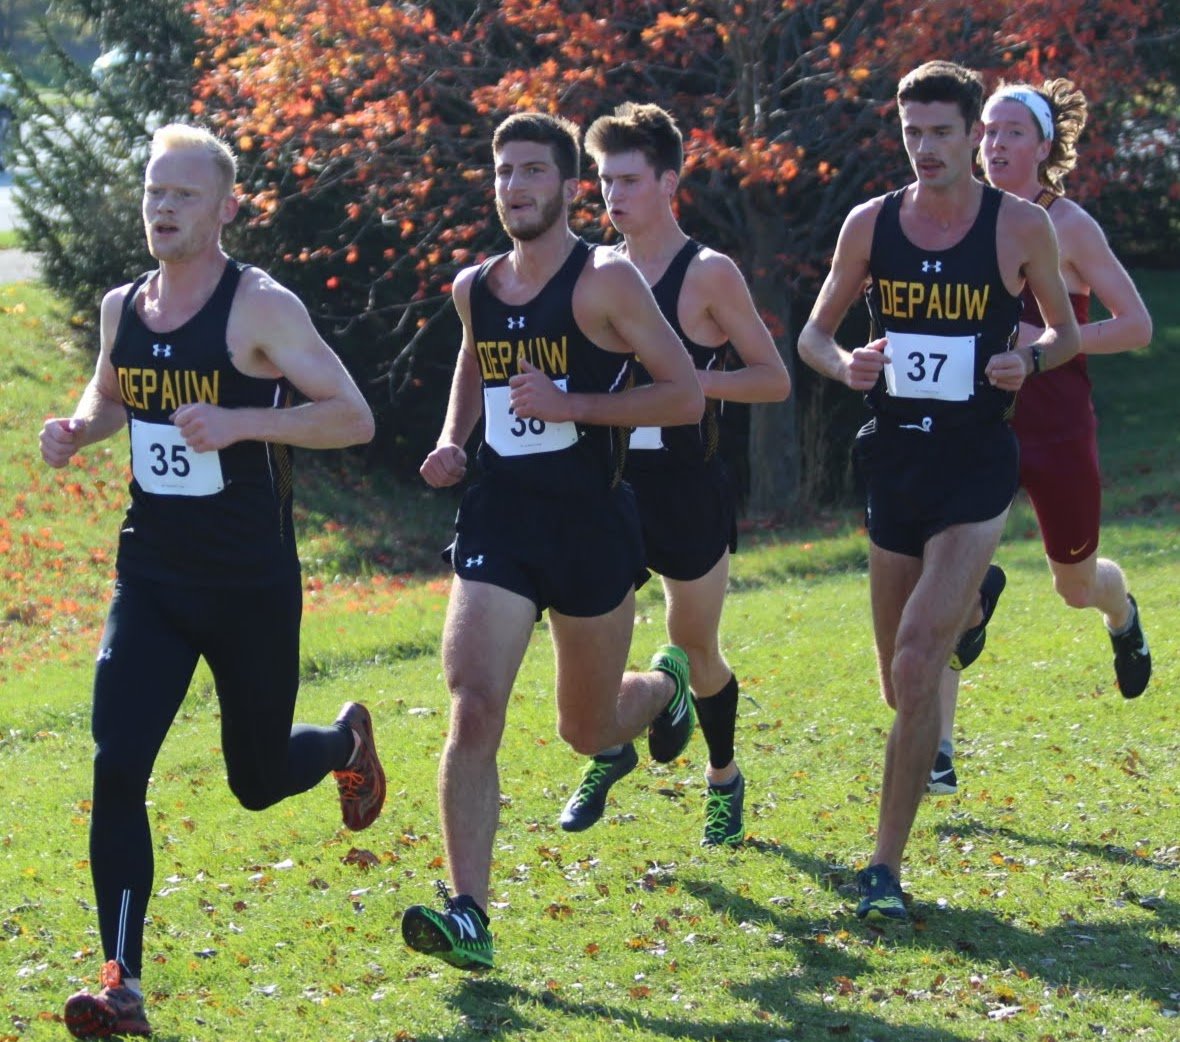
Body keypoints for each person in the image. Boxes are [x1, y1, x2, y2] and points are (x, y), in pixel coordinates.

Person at [39, 124, 383, 1038]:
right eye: (154, 190)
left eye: (183, 194)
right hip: (150, 575)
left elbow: (352, 417)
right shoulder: (125, 307)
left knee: (258, 781)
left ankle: (346, 747)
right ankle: (122, 984)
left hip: (250, 585)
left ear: (226, 207)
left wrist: (238, 423)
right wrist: (77, 429)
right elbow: (111, 394)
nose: (162, 206)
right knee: (116, 766)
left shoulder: (259, 307)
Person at [402, 112, 703, 970]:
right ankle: (470, 912)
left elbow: (683, 394)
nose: (514, 188)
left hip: (591, 525)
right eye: (503, 173)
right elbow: (475, 357)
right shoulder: (476, 287)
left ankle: (662, 691)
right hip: (500, 517)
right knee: (473, 703)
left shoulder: (605, 281)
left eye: (532, 172)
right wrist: (454, 437)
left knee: (586, 728)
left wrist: (577, 408)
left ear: (571, 188)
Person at [796, 61, 1080, 921]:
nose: (926, 148)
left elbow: (1067, 333)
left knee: (921, 659)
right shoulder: (871, 225)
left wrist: (1025, 358)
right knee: (898, 684)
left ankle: (882, 868)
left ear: (972, 137)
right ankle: (975, 606)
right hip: (895, 460)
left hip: (974, 466)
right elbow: (812, 334)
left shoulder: (1020, 226)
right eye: (912, 133)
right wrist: (847, 362)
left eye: (942, 133)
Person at [556, 102, 791, 847]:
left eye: (628, 180)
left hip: (688, 486)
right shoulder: (593, 272)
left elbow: (774, 379)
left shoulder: (709, 274)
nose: (612, 197)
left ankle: (723, 776)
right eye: (602, 182)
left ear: (668, 182)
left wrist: (688, 384)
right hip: (610, 486)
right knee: (596, 643)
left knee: (694, 651)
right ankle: (608, 744)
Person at [929, 78, 1155, 795]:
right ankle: (937, 751)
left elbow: (1137, 325)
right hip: (972, 425)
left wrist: (1043, 343)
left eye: (1011, 133)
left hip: (1054, 424)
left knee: (1075, 585)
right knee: (944, 586)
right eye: (987, 131)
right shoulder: (956, 217)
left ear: (1044, 146)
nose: (995, 145)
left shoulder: (1070, 226)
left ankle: (1123, 615)